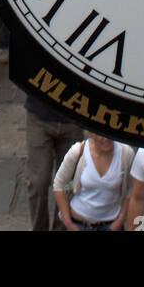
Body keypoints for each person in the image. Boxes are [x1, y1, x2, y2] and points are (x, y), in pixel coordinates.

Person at [53, 133, 136, 232]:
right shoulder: (78, 151)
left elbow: (131, 190)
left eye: (109, 133)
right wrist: (68, 223)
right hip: (79, 224)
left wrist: (120, 220)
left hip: (111, 225)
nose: (105, 138)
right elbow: (59, 184)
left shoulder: (126, 153)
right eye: (100, 134)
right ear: (91, 133)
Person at [27, 97, 82, 230]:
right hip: (39, 115)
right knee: (38, 182)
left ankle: (61, 227)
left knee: (68, 185)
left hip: (73, 118)